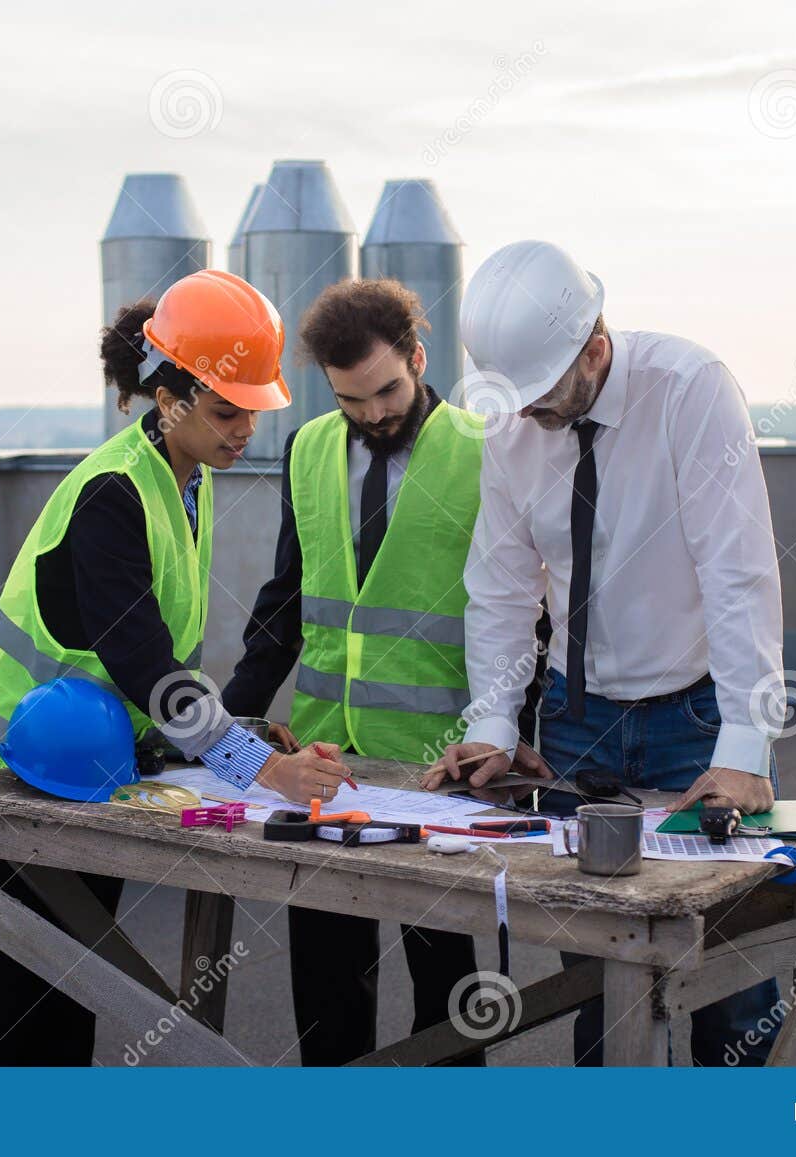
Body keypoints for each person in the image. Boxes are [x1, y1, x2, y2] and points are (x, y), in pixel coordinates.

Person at [0, 269, 350, 1065]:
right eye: (228, 410)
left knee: (67, 1004)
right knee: (29, 1028)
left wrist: (230, 730)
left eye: (254, 410)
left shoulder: (181, 479)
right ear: (170, 399)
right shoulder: (115, 493)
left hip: (83, 771)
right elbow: (139, 660)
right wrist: (261, 767)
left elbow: (143, 663)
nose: (246, 430)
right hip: (13, 779)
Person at [423, 240, 787, 1066]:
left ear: (594, 348)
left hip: (694, 716)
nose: (523, 418)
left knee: (730, 989)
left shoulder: (691, 392)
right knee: (605, 988)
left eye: (540, 398)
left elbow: (739, 574)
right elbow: (503, 589)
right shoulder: (514, 427)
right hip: (576, 723)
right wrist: (490, 719)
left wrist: (744, 747)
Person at [223, 278, 550, 1065]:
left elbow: (525, 618)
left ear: (419, 358)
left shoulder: (487, 451)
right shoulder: (305, 449)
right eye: (350, 399)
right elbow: (284, 604)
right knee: (328, 991)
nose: (373, 413)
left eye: (387, 390)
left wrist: (511, 739)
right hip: (324, 766)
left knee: (446, 996)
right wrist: (226, 721)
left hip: (437, 772)